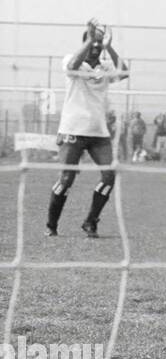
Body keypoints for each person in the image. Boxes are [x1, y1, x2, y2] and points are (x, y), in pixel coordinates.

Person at [46, 20, 130, 238]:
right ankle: (51, 224)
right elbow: (73, 65)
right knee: (67, 179)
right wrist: (91, 40)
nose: (95, 48)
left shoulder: (105, 68)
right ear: (85, 43)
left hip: (99, 133)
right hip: (73, 130)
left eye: (98, 45)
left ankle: (90, 221)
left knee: (109, 175)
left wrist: (108, 46)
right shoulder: (72, 61)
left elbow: (124, 73)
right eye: (92, 44)